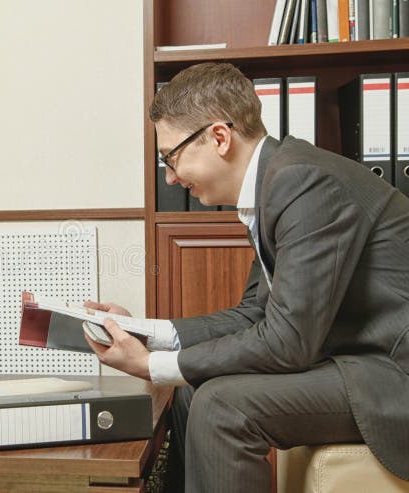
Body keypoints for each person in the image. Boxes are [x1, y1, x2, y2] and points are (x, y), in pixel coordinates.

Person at [83, 62, 409, 492]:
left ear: (219, 137)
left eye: (171, 157)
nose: (170, 176)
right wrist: (144, 334)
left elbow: (288, 341)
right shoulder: (277, 183)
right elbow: (255, 314)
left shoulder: (302, 181)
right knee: (193, 391)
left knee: (221, 406)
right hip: (354, 360)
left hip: (391, 376)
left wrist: (153, 366)